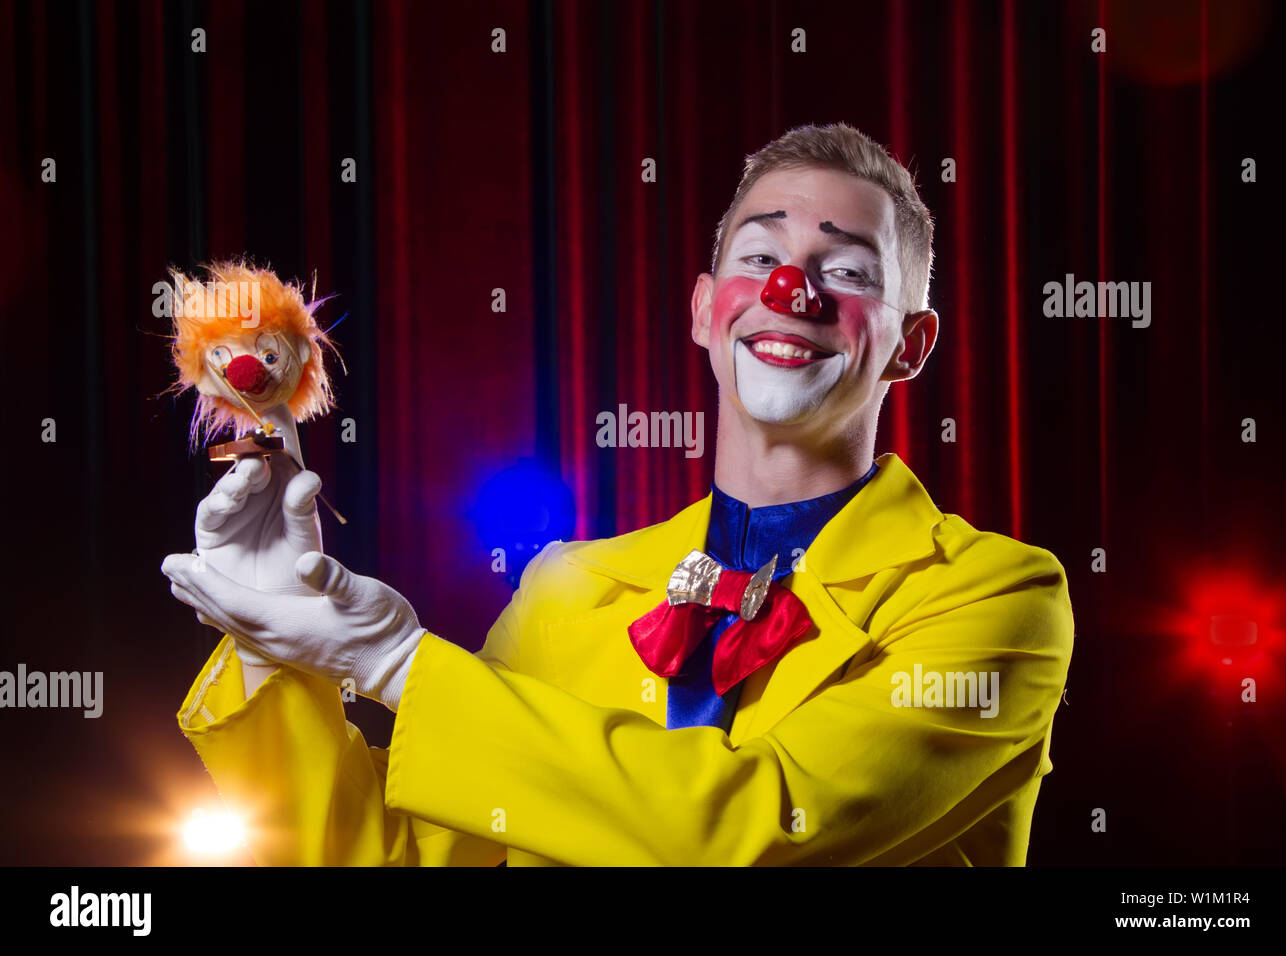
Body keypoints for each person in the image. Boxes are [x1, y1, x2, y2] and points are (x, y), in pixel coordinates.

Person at [162, 122, 1074, 866]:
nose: (791, 292)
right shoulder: (567, 590)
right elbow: (385, 859)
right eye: (761, 258)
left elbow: (756, 834)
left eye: (847, 273)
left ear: (911, 345)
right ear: (702, 310)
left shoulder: (995, 599)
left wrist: (404, 666)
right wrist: (270, 643)